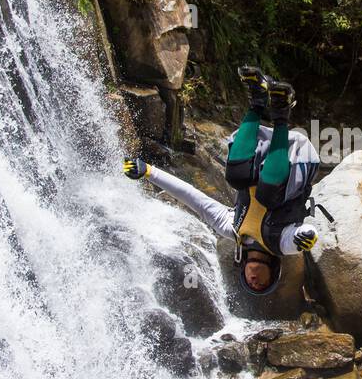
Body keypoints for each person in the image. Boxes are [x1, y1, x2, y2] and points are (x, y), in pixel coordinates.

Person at [123, 66, 319, 296]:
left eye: (250, 284)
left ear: (243, 270)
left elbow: (195, 199)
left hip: (260, 155)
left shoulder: (232, 229)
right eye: (262, 285)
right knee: (267, 194)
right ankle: (281, 113)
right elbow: (301, 236)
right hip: (297, 159)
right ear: (274, 272)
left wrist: (149, 171)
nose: (255, 282)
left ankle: (258, 99)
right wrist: (309, 237)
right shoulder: (282, 244)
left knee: (236, 177)